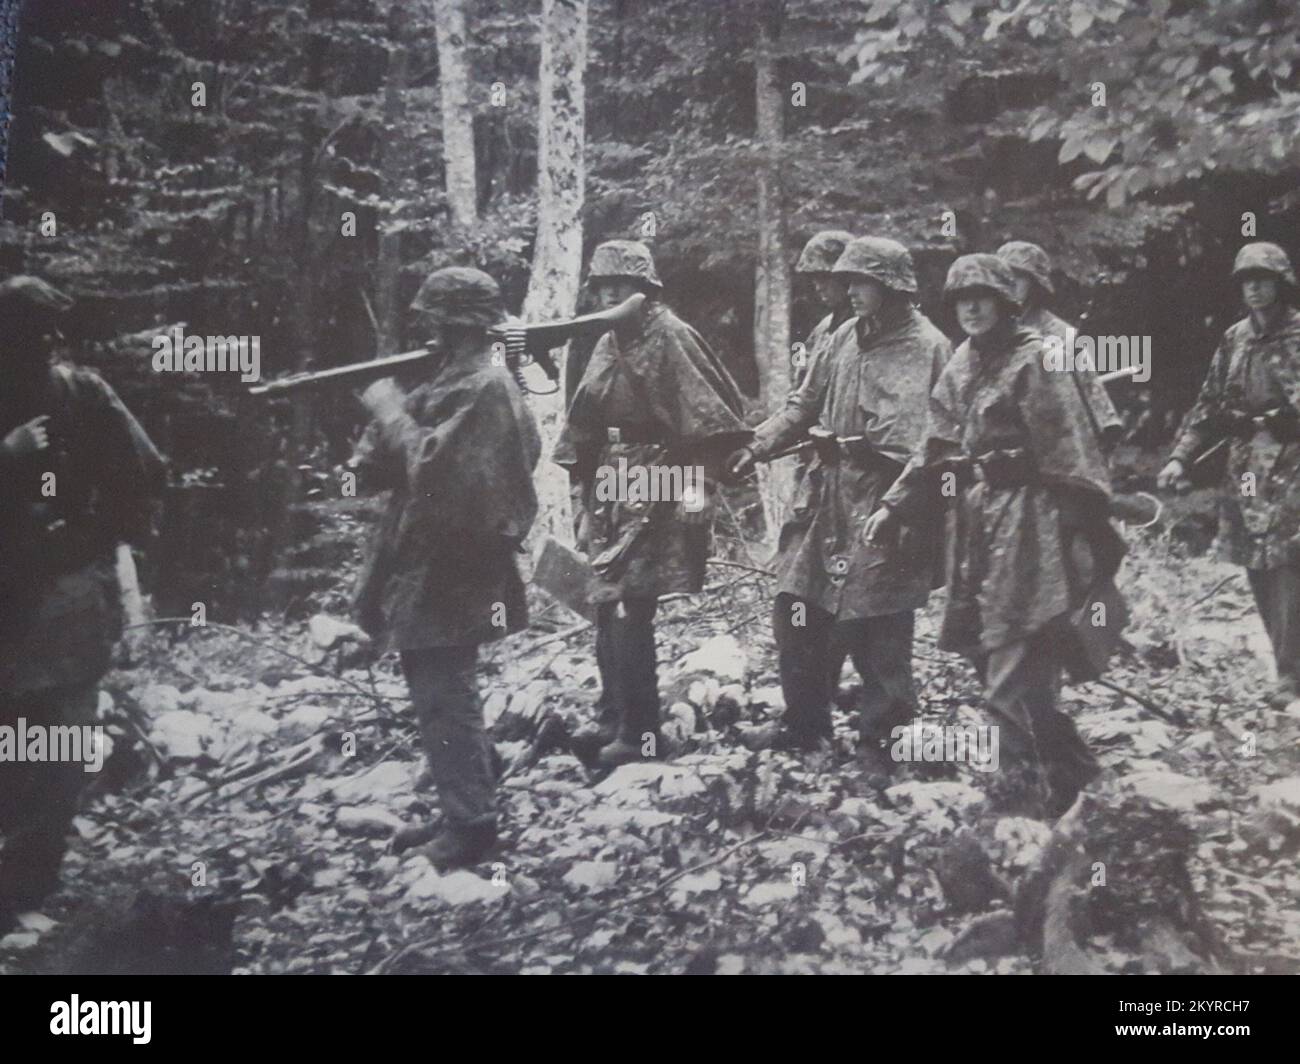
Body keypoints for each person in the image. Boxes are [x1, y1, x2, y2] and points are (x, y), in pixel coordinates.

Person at [864, 254, 1125, 818]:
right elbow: (935, 444)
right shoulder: (961, 361)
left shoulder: (1040, 361)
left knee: (1013, 654)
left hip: (1033, 522)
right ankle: (1079, 774)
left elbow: (1073, 454)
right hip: (975, 519)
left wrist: (1085, 536)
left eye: (983, 297)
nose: (972, 308)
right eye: (962, 299)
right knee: (991, 654)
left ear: (1007, 303)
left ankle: (1020, 797)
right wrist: (896, 505)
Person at [351, 266, 540, 868]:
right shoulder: (448, 381)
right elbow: (391, 463)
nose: (426, 328)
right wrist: (378, 436)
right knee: (433, 685)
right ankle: (463, 808)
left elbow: (435, 471)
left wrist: (390, 412)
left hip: (457, 563)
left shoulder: (487, 386)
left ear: (458, 324)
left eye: (435, 319)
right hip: (427, 559)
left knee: (445, 690)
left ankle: (474, 827)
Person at [729, 237, 950, 753]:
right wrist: (755, 446)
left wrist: (901, 505)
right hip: (826, 496)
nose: (849, 291)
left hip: (890, 497)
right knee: (797, 609)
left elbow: (936, 443)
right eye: (846, 281)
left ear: (892, 287)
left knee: (881, 626)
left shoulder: (929, 346)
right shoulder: (843, 336)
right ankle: (805, 728)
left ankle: (883, 744)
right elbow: (804, 405)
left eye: (861, 282)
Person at [0, 275, 165, 927]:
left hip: (65, 589)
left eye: (50, 333)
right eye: (34, 334)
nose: (48, 345)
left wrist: (101, 540)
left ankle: (28, 883)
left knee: (59, 733)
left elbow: (146, 470)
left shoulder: (83, 393)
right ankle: (24, 878)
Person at [555, 240, 749, 767]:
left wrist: (690, 492)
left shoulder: (671, 335)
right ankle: (612, 716)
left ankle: (642, 732)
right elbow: (584, 420)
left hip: (658, 478)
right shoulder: (606, 341)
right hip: (610, 481)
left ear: (646, 289)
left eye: (621, 285)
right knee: (604, 601)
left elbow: (714, 419)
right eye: (603, 286)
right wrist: (582, 486)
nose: (611, 294)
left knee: (629, 604)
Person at [1158, 242, 1300, 710]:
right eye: (1247, 280)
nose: (1255, 288)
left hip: (1293, 462)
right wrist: (1181, 457)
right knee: (1254, 563)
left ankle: (1291, 672)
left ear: (1281, 283)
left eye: (1263, 279)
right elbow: (1207, 405)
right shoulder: (1234, 339)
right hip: (1245, 467)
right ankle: (1284, 662)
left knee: (1288, 563)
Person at [997, 240, 1123, 455]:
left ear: (1034, 283)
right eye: (1003, 275)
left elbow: (1097, 405)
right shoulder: (988, 333)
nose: (1010, 283)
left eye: (1018, 276)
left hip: (1055, 447)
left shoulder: (1062, 336)